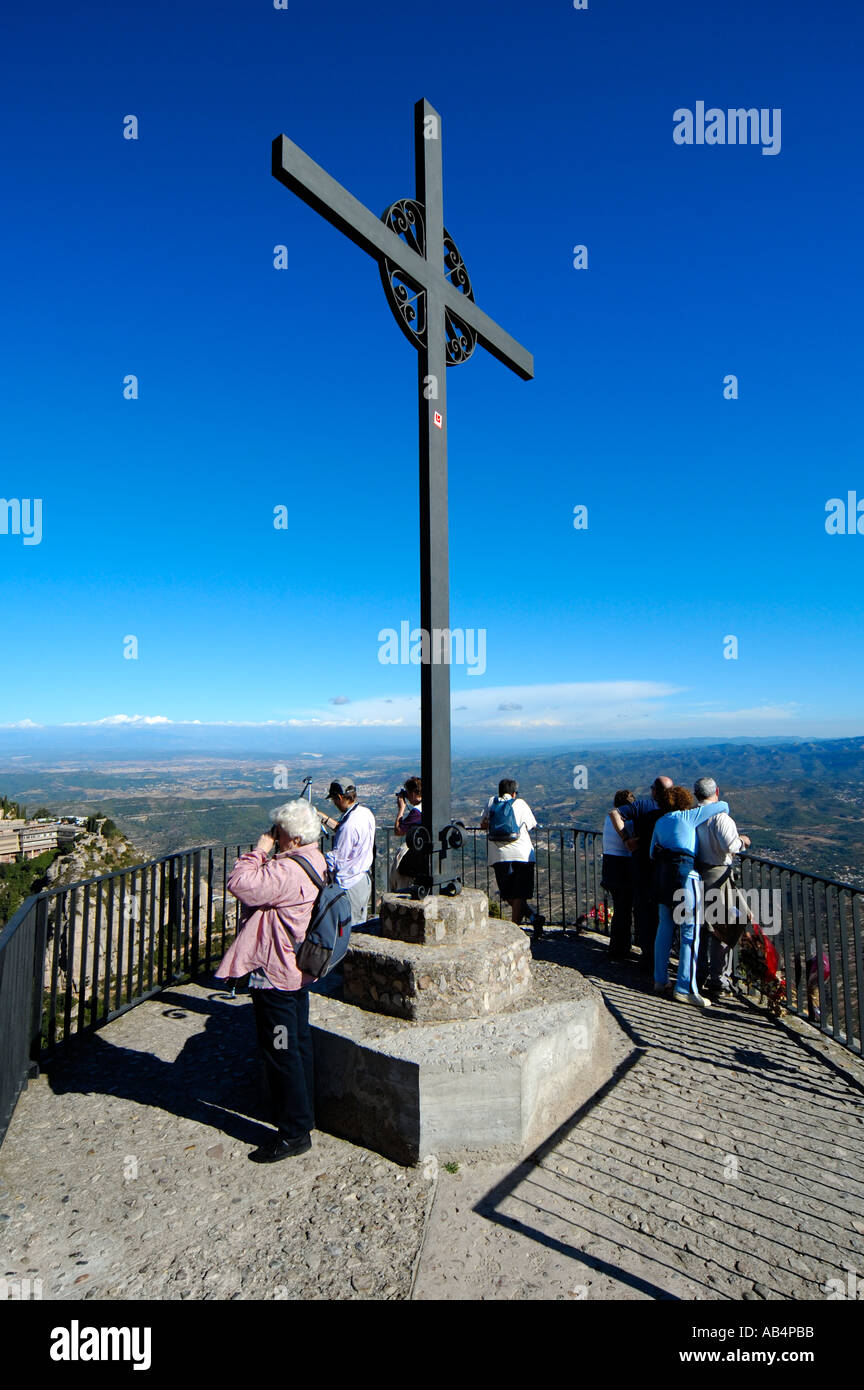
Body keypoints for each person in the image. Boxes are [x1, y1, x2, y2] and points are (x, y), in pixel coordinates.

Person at [215, 799, 326, 1162]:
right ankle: (303, 1113)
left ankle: (293, 1132)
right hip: (298, 973)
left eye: (277, 832)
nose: (272, 837)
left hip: (276, 973)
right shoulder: (315, 859)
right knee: (299, 1044)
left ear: (292, 837)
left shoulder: (286, 871)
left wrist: (258, 852)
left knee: (281, 1051)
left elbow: (239, 883)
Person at [650, 785, 731, 1009]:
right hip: (686, 878)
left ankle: (660, 980)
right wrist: (699, 807)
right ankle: (685, 989)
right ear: (686, 801)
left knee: (664, 929)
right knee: (690, 933)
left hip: (663, 878)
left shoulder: (660, 821)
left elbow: (651, 852)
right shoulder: (689, 816)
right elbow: (722, 805)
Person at [692, 776, 751, 1002]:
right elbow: (730, 845)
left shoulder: (692, 816)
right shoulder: (721, 817)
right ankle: (719, 979)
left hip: (698, 874)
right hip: (719, 875)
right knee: (725, 928)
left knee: (705, 927)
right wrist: (743, 840)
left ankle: (699, 974)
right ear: (717, 791)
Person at [608, 775, 674, 972]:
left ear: (654, 790)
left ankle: (648, 956)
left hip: (641, 867)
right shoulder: (674, 810)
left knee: (644, 912)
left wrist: (627, 839)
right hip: (665, 867)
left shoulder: (643, 806)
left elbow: (614, 813)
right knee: (665, 913)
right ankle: (661, 957)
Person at [480, 778, 546, 939]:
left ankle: (532, 919)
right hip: (523, 854)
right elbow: (532, 825)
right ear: (514, 793)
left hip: (499, 855)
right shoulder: (520, 803)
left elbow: (483, 825)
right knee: (519, 894)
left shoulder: (491, 802)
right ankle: (516, 931)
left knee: (508, 894)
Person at [319, 778, 376, 925]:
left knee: (350, 929)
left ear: (339, 797)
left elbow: (338, 859)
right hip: (363, 879)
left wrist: (315, 860)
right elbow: (344, 830)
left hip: (350, 884)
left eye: (334, 799)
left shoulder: (349, 825)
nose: (334, 803)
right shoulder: (365, 813)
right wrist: (323, 818)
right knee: (360, 923)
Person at [602, 790, 636, 960]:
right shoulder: (626, 821)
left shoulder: (608, 820)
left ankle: (618, 945)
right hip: (623, 867)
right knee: (624, 909)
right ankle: (620, 948)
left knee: (620, 908)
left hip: (609, 865)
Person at [389, 776, 422, 891]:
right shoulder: (429, 806)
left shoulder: (416, 812)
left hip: (416, 857)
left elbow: (398, 831)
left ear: (413, 793)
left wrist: (401, 808)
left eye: (408, 793)